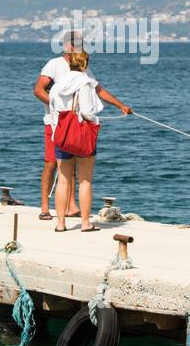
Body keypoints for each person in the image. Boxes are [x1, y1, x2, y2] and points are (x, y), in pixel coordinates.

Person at [47, 51, 131, 232]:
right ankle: (85, 223)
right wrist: (94, 121)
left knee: (63, 180)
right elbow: (86, 112)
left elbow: (53, 111)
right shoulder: (85, 83)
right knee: (85, 181)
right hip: (81, 136)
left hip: (61, 136)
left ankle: (60, 223)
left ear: (69, 64)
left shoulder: (57, 85)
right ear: (84, 65)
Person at [33, 31, 83, 220]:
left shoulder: (82, 66)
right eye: (75, 43)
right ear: (66, 46)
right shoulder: (54, 65)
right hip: (53, 123)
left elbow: (96, 89)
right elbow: (37, 90)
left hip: (73, 123)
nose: (79, 46)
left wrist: (120, 105)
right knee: (51, 163)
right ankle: (45, 207)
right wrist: (55, 106)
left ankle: (71, 206)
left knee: (71, 164)